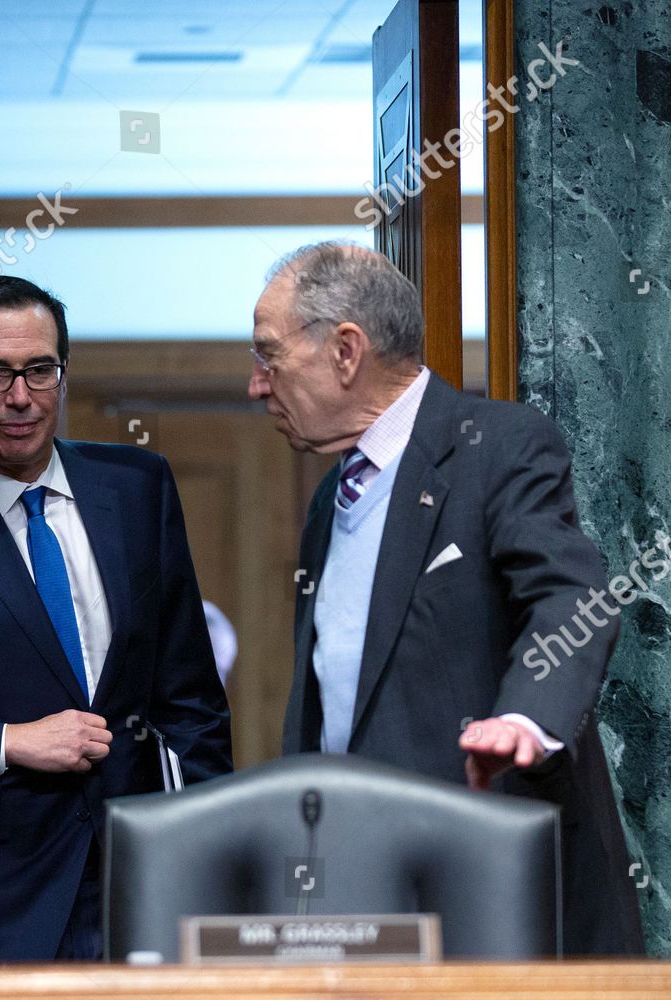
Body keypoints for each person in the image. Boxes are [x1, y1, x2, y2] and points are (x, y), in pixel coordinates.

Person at [250, 242, 643, 955]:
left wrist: (527, 714)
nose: (256, 384)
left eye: (269, 356)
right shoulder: (324, 507)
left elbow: (572, 597)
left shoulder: (500, 447)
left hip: (491, 885)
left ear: (346, 352)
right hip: (357, 895)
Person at [0, 276, 232, 961]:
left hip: (141, 888)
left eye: (40, 370)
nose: (20, 396)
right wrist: (9, 743)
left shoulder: (139, 489)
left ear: (63, 373)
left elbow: (192, 702)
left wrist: (206, 857)